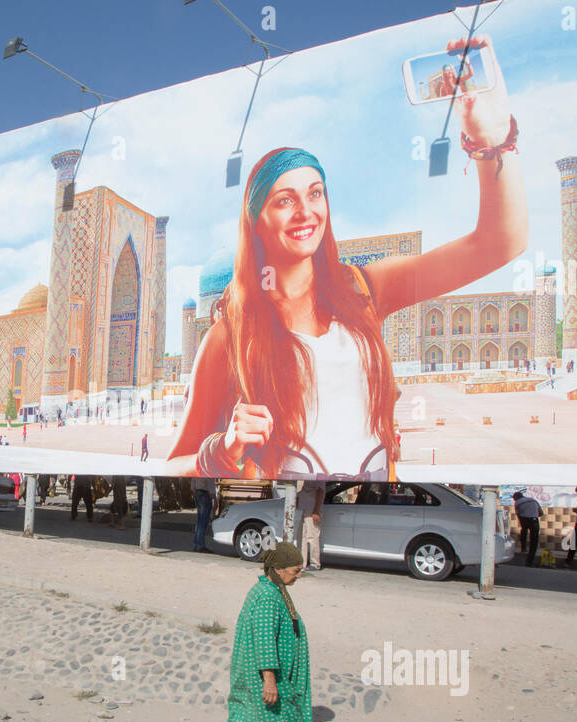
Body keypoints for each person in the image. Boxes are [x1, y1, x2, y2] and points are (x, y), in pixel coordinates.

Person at [166, 34, 526, 481]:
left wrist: (491, 142)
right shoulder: (230, 338)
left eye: (315, 194)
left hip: (373, 523)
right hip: (286, 534)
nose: (306, 212)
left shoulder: (363, 291)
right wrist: (222, 451)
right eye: (284, 200)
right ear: (256, 220)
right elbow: (173, 468)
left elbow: (498, 243)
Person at [208, 542, 344, 722]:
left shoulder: (270, 589)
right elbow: (264, 640)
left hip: (255, 676)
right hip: (266, 678)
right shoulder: (268, 598)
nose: (299, 575)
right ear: (279, 569)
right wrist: (269, 679)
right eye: (295, 570)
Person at [298, 479, 324, 571]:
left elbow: (321, 492)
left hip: (312, 509)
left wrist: (316, 510)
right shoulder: (308, 475)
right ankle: (302, 562)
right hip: (305, 508)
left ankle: (315, 563)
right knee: (302, 537)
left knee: (312, 536)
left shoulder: (320, 477)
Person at [512, 488, 542, 567]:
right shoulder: (533, 500)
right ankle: (530, 560)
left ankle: (523, 548)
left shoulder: (517, 503)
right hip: (534, 520)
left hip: (524, 519)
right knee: (534, 540)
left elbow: (518, 514)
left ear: (515, 498)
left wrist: (522, 521)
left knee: (524, 531)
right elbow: (541, 513)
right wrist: (534, 514)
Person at [191, 475, 216, 553]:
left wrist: (194, 492)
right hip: (205, 494)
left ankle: (196, 544)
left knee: (199, 520)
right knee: (203, 521)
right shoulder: (209, 470)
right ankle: (200, 545)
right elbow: (211, 485)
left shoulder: (197, 470)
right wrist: (215, 498)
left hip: (197, 493)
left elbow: (192, 486)